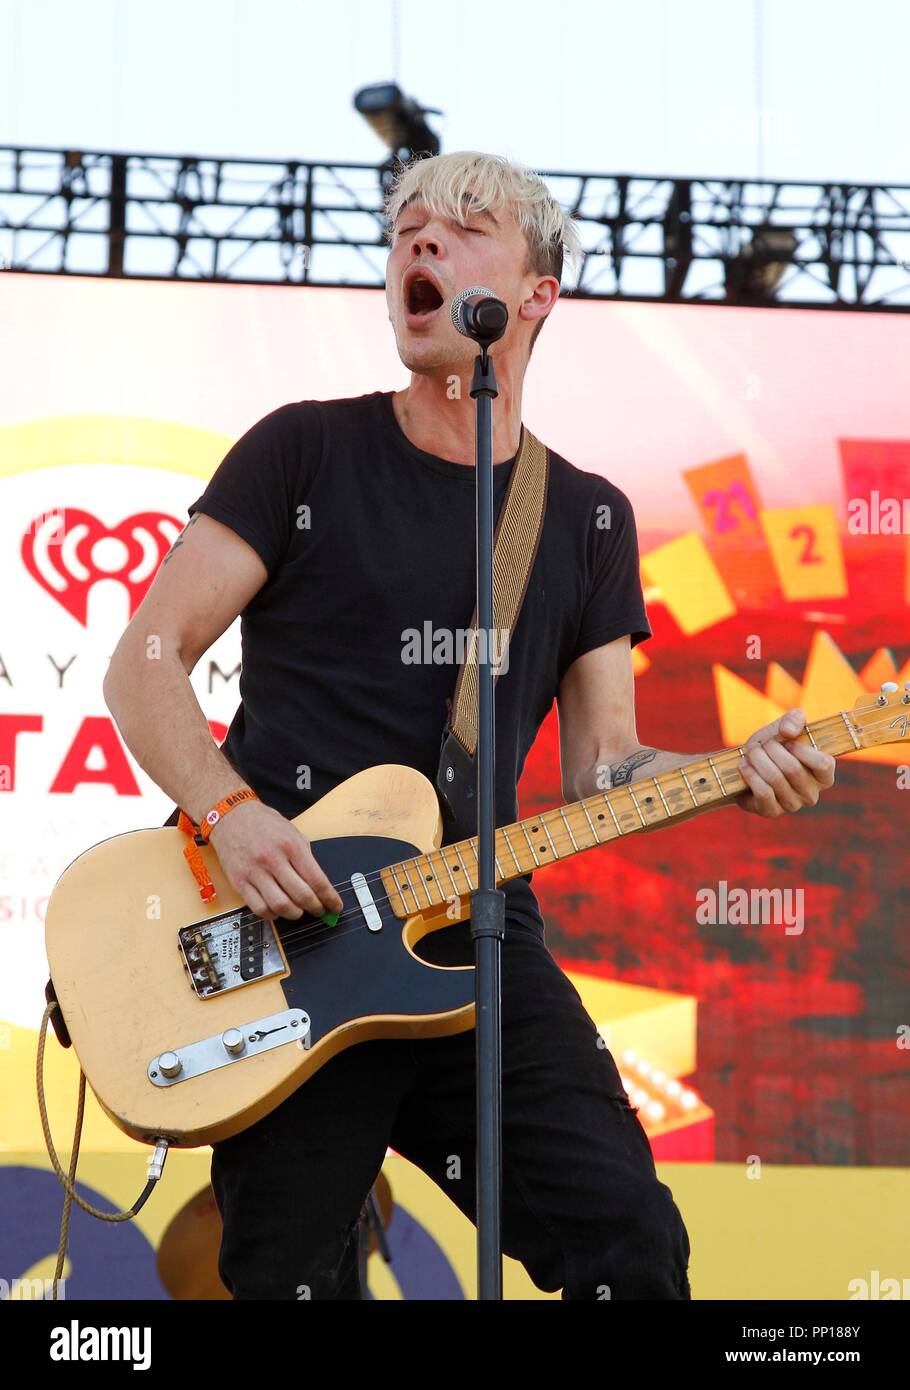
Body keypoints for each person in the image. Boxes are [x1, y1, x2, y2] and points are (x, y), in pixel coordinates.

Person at [103, 149, 835, 1300]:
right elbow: (145, 667)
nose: (419, 245)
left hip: (474, 933)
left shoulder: (587, 516)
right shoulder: (303, 449)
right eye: (405, 231)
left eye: (462, 227)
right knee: (293, 1275)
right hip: (284, 940)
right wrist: (231, 815)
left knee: (631, 1245)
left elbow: (604, 767)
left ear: (538, 293)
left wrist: (732, 769)